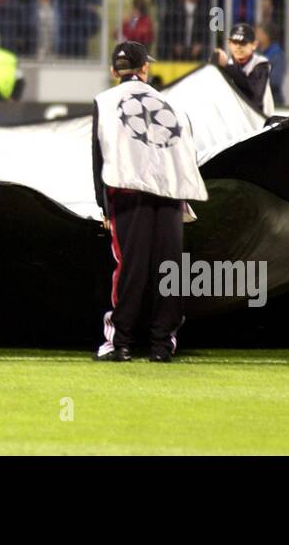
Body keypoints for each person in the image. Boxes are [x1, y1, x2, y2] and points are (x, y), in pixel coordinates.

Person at [92, 41, 206, 362]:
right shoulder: (173, 105)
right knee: (168, 269)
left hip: (127, 193)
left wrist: (103, 206)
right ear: (145, 69)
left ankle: (121, 343)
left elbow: (98, 156)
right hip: (171, 193)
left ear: (114, 71)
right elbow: (188, 151)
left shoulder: (104, 101)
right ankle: (161, 345)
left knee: (130, 267)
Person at [213, 23, 274, 115]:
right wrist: (213, 65)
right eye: (235, 42)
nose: (238, 46)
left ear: (254, 45)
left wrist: (226, 67)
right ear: (229, 44)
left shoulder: (261, 63)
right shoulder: (227, 65)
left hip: (260, 122)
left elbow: (254, 93)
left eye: (243, 43)